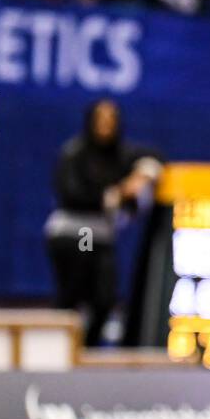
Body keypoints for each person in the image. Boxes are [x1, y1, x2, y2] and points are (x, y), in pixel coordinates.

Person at [45, 99, 161, 346]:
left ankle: (87, 349)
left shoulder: (123, 154)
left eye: (111, 120)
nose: (106, 125)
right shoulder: (73, 152)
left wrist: (142, 175)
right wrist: (114, 195)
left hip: (102, 237)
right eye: (101, 119)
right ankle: (62, 352)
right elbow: (72, 193)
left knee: (105, 300)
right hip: (71, 235)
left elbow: (156, 158)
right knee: (72, 298)